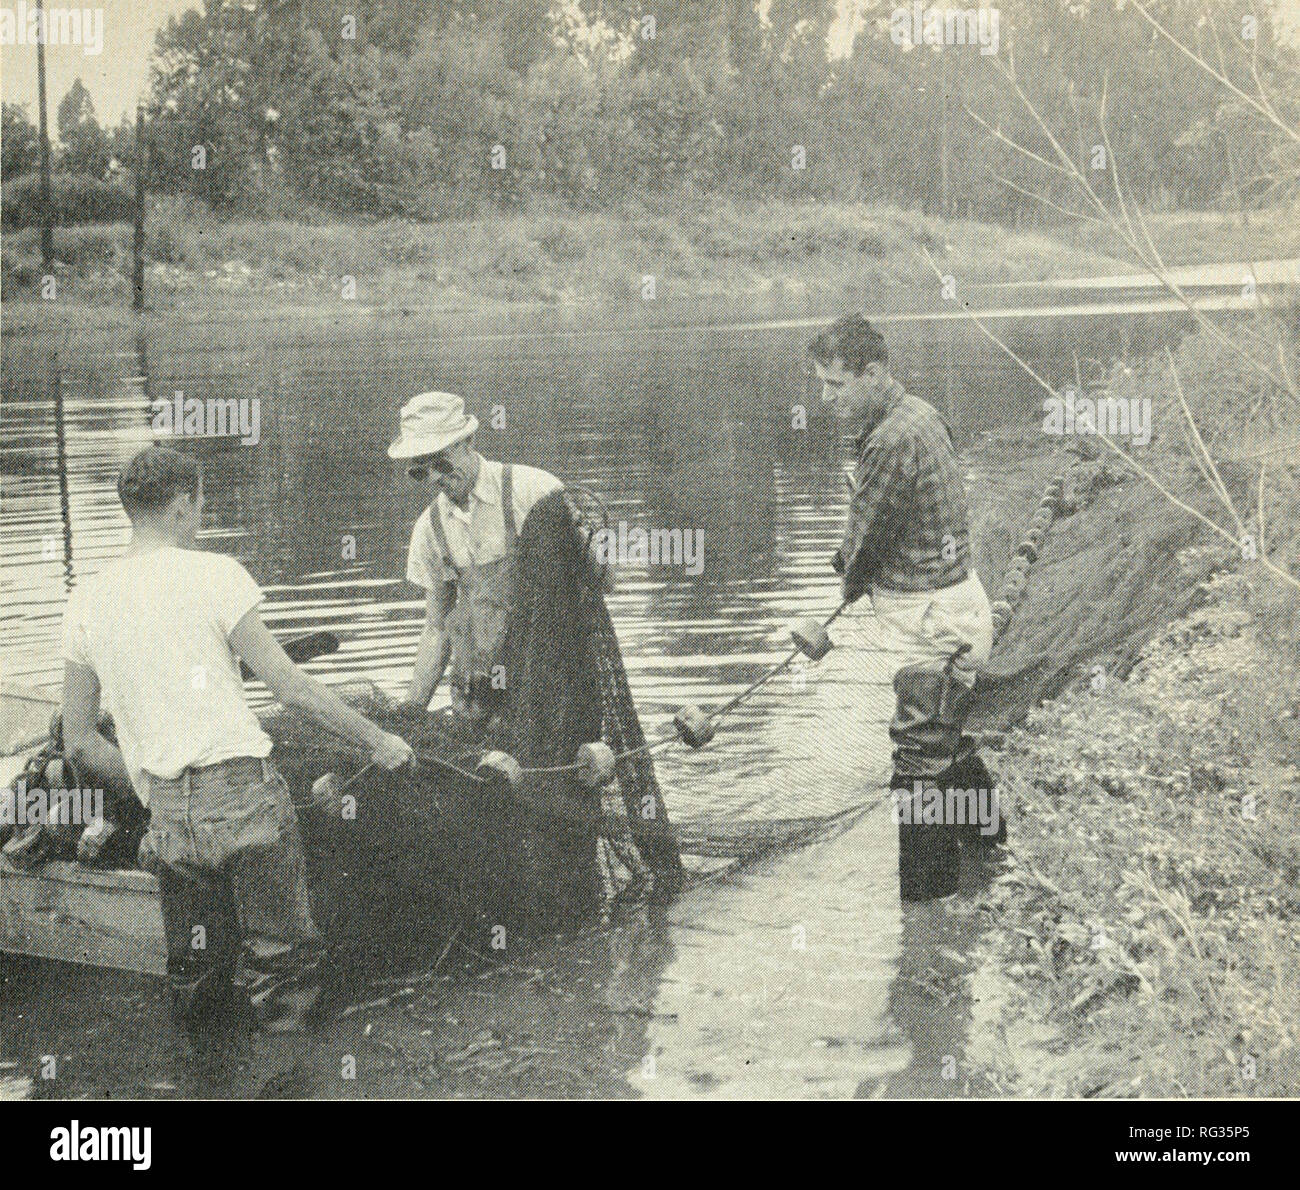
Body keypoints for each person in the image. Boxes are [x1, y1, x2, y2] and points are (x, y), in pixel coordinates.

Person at [60, 446, 413, 1034]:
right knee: (284, 969)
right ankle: (285, 1076)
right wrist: (377, 738)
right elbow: (290, 688)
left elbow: (77, 742)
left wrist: (156, 792)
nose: (200, 517)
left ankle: (205, 1081)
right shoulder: (217, 574)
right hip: (244, 797)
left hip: (169, 814)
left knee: (198, 973)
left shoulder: (86, 600)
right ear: (180, 506)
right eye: (198, 504)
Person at [809, 314, 1002, 902]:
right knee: (945, 737)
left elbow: (863, 543)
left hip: (930, 627)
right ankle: (992, 850)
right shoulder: (918, 411)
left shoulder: (891, 440)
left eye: (836, 385)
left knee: (917, 765)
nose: (826, 399)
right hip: (957, 608)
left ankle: (926, 919)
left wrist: (836, 593)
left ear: (873, 372)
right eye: (822, 385)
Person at [391, 392, 563, 721]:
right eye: (420, 471)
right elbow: (436, 627)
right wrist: (412, 709)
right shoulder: (430, 528)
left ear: (468, 441)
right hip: (478, 692)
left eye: (441, 462)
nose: (435, 478)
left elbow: (598, 586)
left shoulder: (533, 491)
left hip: (550, 684)